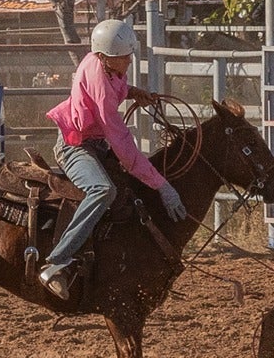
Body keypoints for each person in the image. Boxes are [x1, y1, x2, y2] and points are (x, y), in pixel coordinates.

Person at [37, 19, 186, 300]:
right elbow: (121, 141)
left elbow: (107, 95)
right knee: (102, 190)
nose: (129, 60)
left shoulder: (104, 66)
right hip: (75, 145)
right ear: (106, 57)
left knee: (123, 190)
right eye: (123, 57)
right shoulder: (101, 79)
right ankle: (57, 260)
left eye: (129, 54)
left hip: (93, 143)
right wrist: (161, 184)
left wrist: (132, 93)